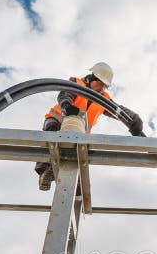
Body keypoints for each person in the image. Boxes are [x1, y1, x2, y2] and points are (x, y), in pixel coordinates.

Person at [36, 61, 144, 190]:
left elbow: (118, 110)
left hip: (79, 134)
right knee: (51, 134)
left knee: (82, 153)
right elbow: (65, 95)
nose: (102, 88)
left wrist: (133, 118)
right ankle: (46, 172)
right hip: (57, 120)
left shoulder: (103, 99)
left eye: (105, 86)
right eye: (100, 84)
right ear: (91, 78)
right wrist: (66, 106)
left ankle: (76, 184)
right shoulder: (77, 84)